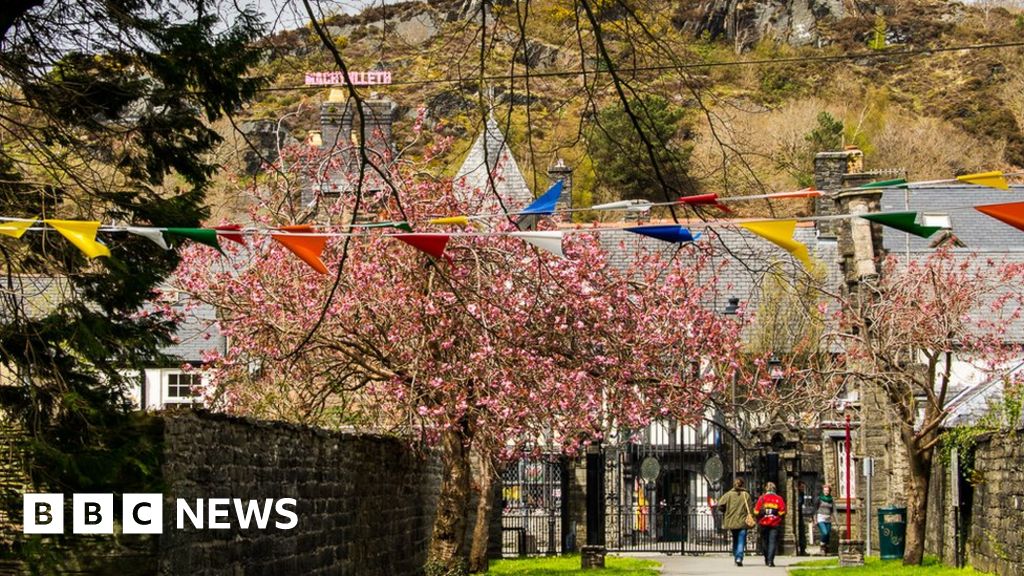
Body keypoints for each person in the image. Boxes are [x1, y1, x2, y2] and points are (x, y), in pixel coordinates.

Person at [717, 478, 754, 567]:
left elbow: (719, 505)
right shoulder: (746, 495)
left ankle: (736, 556)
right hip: (742, 521)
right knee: (741, 540)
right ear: (743, 485)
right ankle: (739, 557)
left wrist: (725, 511)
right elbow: (750, 508)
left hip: (732, 521)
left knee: (735, 540)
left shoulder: (728, 495)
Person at [754, 481, 786, 567]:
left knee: (764, 542)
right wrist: (777, 515)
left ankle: (766, 558)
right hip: (774, 523)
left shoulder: (762, 498)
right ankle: (770, 561)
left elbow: (756, 511)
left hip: (763, 523)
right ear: (775, 489)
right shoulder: (779, 499)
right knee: (772, 542)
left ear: (766, 488)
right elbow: (782, 511)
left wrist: (761, 515)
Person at [816, 484, 835, 555]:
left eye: (827, 491)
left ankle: (826, 548)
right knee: (825, 532)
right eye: (825, 490)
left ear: (829, 491)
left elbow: (834, 510)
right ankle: (822, 546)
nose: (826, 492)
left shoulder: (831, 499)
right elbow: (815, 509)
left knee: (828, 534)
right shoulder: (819, 498)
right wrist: (814, 519)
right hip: (820, 517)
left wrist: (837, 521)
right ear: (823, 491)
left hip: (828, 518)